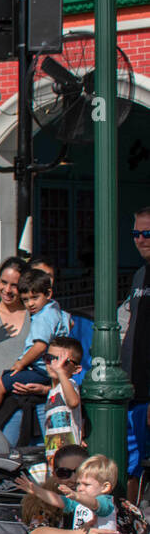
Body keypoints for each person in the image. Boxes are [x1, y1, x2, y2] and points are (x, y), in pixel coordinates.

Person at [0, 268, 71, 416]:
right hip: (49, 370)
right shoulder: (54, 308)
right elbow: (70, 321)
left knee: (0, 384)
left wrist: (21, 363)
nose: (30, 304)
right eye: (25, 300)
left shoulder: (42, 317)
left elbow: (40, 346)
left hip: (41, 370)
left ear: (48, 294)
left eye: (34, 298)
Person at [119, 204, 150, 496]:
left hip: (148, 392)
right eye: (136, 233)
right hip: (133, 388)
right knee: (133, 466)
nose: (141, 239)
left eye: (147, 233)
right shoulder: (140, 275)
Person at [38, 336, 85, 466]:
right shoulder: (53, 391)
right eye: (49, 359)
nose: (55, 365)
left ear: (76, 369)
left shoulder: (70, 383)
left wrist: (61, 373)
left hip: (69, 457)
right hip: (53, 454)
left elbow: (73, 402)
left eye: (62, 362)